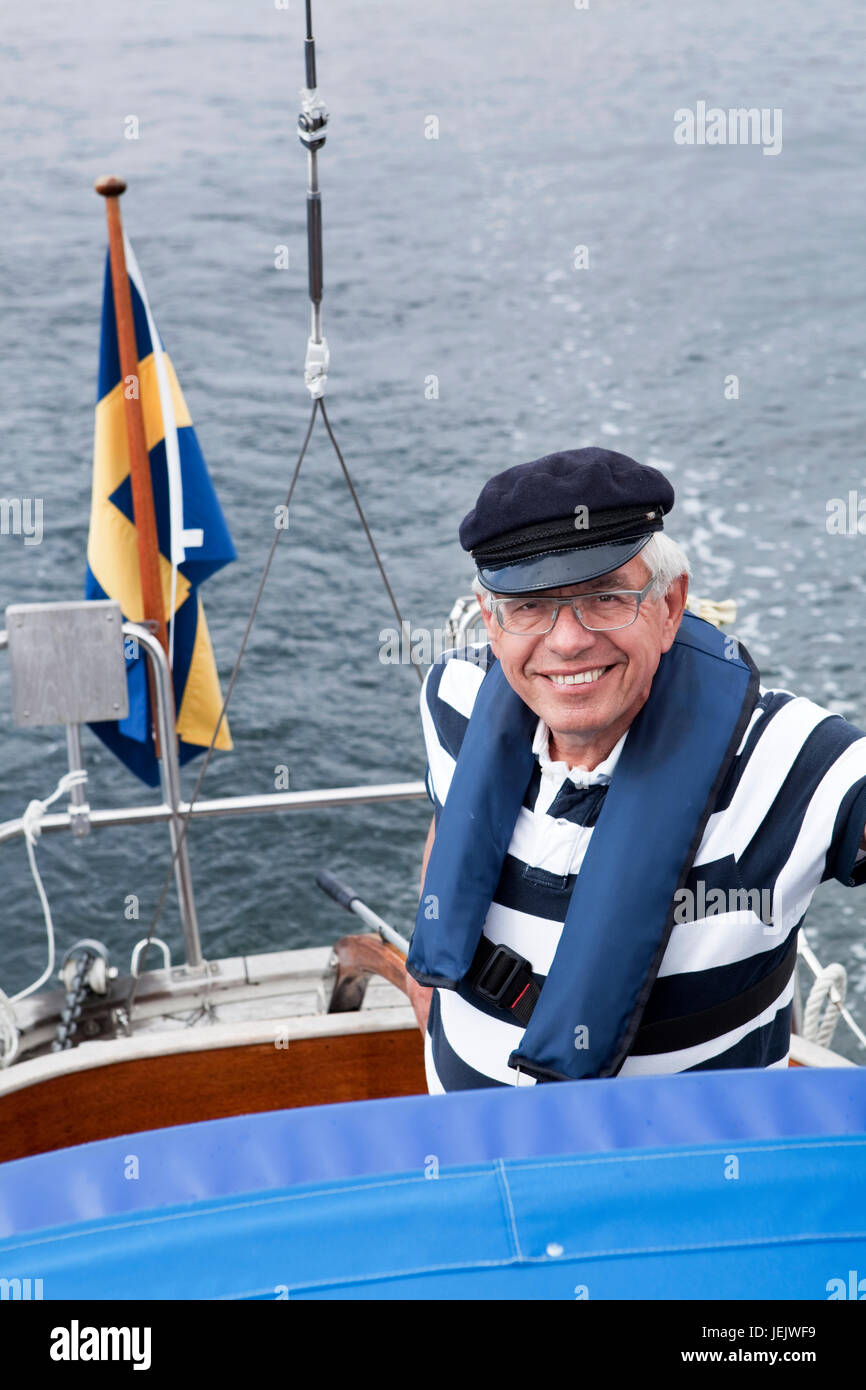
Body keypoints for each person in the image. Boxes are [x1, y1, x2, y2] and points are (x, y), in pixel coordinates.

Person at [405, 447, 866, 1092]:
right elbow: (448, 821)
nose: (567, 641)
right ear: (491, 618)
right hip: (475, 1161)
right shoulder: (451, 698)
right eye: (530, 605)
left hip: (681, 1180)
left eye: (604, 597)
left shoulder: (794, 760)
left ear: (671, 604)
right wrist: (423, 979)